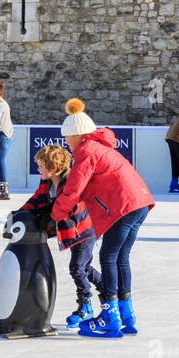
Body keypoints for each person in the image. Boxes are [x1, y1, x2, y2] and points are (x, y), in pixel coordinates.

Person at [53, 98, 155, 339]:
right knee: (121, 257)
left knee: (108, 256)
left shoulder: (86, 150)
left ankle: (109, 317)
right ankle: (126, 314)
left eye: (67, 137)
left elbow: (74, 188)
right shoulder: (99, 147)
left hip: (125, 206)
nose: (66, 142)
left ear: (77, 134)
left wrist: (56, 213)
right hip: (139, 202)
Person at [19, 143, 103, 328]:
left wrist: (47, 216)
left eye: (41, 166)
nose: (38, 169)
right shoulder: (47, 182)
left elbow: (69, 208)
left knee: (77, 268)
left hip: (84, 231)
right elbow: (37, 199)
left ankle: (86, 305)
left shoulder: (70, 183)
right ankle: (108, 290)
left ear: (54, 168)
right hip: (71, 231)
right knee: (84, 268)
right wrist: (21, 212)